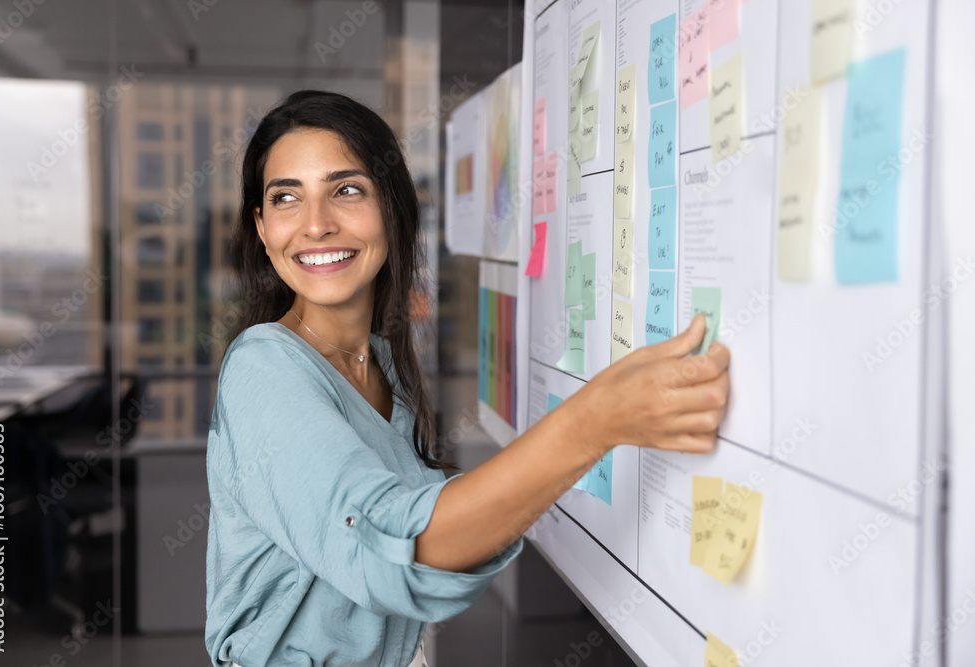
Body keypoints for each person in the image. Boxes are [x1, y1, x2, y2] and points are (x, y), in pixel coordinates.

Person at [204, 90, 730, 667]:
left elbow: (425, 532)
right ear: (261, 227)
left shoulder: (382, 366)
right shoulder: (263, 367)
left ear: (392, 209)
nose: (316, 225)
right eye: (286, 198)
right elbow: (395, 549)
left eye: (346, 190)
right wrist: (595, 421)